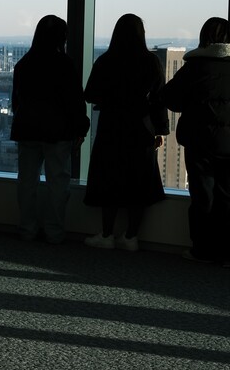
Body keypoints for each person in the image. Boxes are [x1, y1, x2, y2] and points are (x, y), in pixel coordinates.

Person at [161, 17, 230, 267]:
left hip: (200, 141)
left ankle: (203, 250)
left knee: (203, 196)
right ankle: (229, 252)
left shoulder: (195, 66)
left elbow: (171, 98)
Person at [82, 13, 168, 251]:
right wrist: (160, 130)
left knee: (108, 177)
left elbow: (90, 94)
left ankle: (107, 234)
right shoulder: (151, 62)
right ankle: (131, 236)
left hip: (112, 126)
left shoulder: (106, 60)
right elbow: (159, 99)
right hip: (142, 128)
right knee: (138, 180)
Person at [10, 15, 89, 243]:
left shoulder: (23, 64)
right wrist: (80, 129)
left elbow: (17, 101)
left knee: (26, 181)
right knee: (57, 182)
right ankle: (54, 232)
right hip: (58, 132)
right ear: (62, 37)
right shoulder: (64, 65)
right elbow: (75, 101)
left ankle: (27, 229)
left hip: (27, 129)